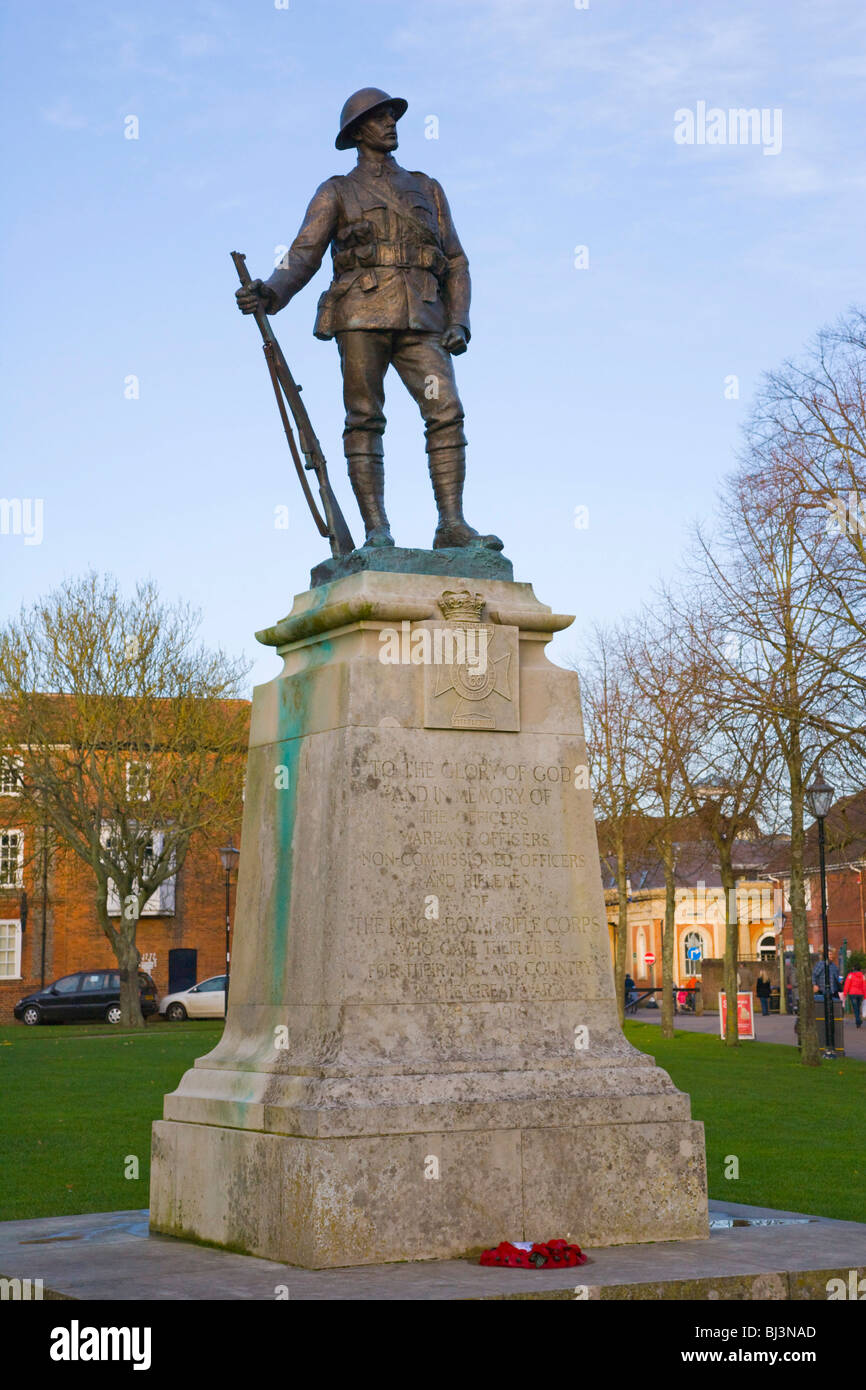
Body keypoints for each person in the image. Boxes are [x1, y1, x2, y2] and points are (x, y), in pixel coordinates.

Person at [236, 87, 502, 552]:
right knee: (364, 419)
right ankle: (377, 530)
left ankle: (452, 524)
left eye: (392, 116)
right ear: (359, 131)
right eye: (380, 118)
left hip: (423, 317)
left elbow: (456, 260)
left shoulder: (428, 188)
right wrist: (269, 289)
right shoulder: (336, 190)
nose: (391, 123)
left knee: (446, 412)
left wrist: (459, 319)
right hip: (361, 314)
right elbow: (302, 254)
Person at [842, 964, 866, 1029]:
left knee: (855, 1007)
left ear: (854, 969)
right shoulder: (862, 976)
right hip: (860, 994)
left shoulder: (850, 976)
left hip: (852, 994)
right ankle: (859, 1020)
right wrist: (865, 995)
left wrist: (845, 993)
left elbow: (847, 984)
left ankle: (858, 1020)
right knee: (858, 1007)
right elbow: (864, 986)